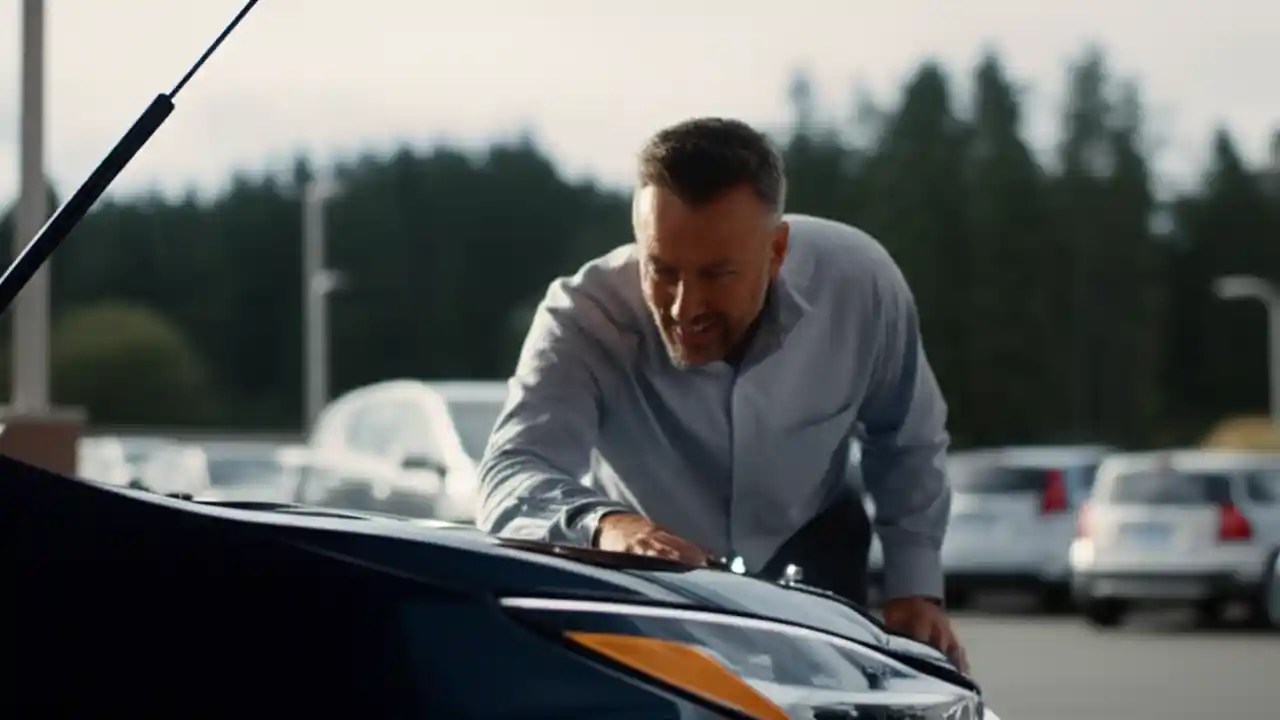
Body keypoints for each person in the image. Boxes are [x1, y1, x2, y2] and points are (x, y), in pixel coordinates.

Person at [476, 117, 967, 672]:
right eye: (661, 270)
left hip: (816, 556)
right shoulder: (583, 318)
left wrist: (914, 589)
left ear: (776, 250)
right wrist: (608, 527)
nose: (685, 309)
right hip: (648, 575)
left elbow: (906, 436)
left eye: (716, 275)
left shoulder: (861, 283)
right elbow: (512, 471)